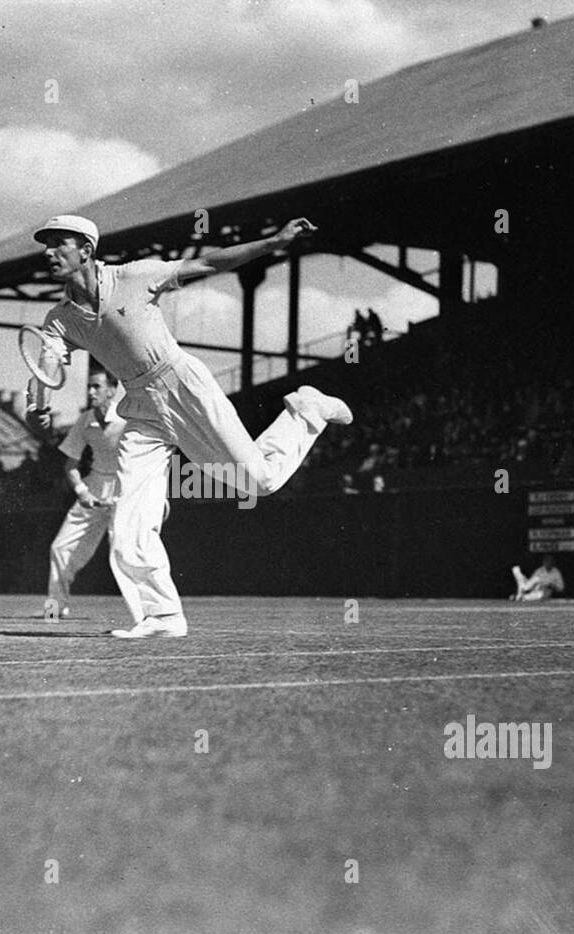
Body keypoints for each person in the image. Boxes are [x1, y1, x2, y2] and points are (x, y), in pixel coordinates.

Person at [32, 213, 352, 637]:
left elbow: (209, 263)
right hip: (141, 407)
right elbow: (47, 363)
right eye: (47, 245)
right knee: (129, 524)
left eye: (60, 244)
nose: (50, 253)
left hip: (182, 384)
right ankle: (163, 617)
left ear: (87, 251)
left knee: (260, 481)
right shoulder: (59, 318)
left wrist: (274, 241)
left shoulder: (134, 275)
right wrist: (38, 401)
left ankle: (307, 411)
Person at [44, 367, 124, 619]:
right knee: (59, 548)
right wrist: (82, 492)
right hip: (94, 487)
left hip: (126, 489)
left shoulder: (127, 418)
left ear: (111, 390)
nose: (90, 391)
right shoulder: (85, 420)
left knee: (126, 554)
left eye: (96, 387)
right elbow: (70, 466)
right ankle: (54, 611)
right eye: (89, 386)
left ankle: (153, 616)